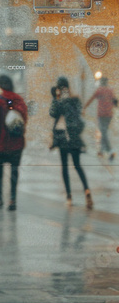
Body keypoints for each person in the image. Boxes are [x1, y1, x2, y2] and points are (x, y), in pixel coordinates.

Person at [50, 78, 92, 208]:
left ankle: (69, 196)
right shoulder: (75, 100)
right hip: (74, 138)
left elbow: (52, 114)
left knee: (65, 167)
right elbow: (79, 113)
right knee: (77, 165)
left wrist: (54, 98)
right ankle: (87, 191)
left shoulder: (59, 101)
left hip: (63, 138)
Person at [0, 75, 27, 211]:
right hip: (17, 143)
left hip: (2, 143)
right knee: (14, 171)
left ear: (0, 86)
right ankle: (12, 199)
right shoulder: (19, 100)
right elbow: (24, 120)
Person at [84, 76, 115, 161]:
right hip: (109, 115)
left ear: (101, 83)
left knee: (103, 132)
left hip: (102, 115)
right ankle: (101, 151)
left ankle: (110, 151)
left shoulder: (99, 90)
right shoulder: (110, 90)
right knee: (104, 131)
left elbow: (91, 98)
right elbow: (115, 101)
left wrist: (85, 107)